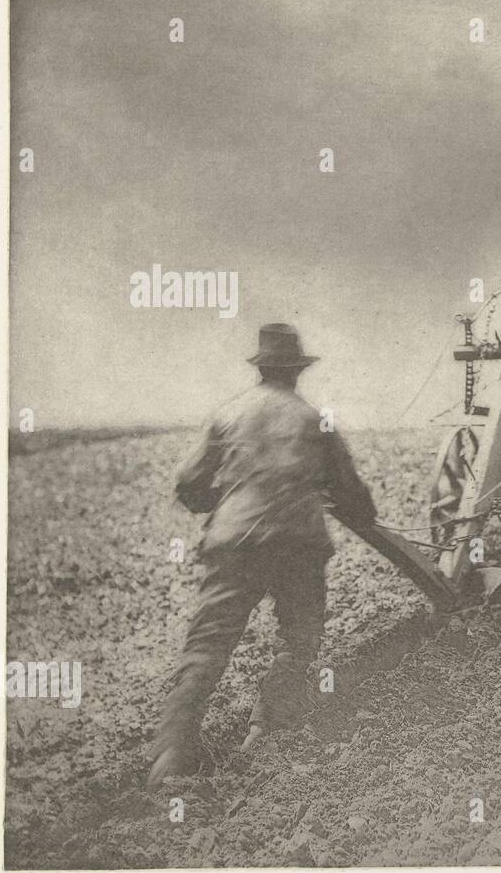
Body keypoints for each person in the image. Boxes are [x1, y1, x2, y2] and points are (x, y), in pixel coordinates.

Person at [148, 323, 376, 789]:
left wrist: (227, 502)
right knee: (297, 639)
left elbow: (189, 484)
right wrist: (351, 508)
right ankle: (264, 738)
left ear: (261, 367)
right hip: (298, 544)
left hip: (234, 545)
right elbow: (351, 495)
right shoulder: (316, 419)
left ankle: (169, 760)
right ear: (296, 371)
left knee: (207, 645)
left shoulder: (229, 414)